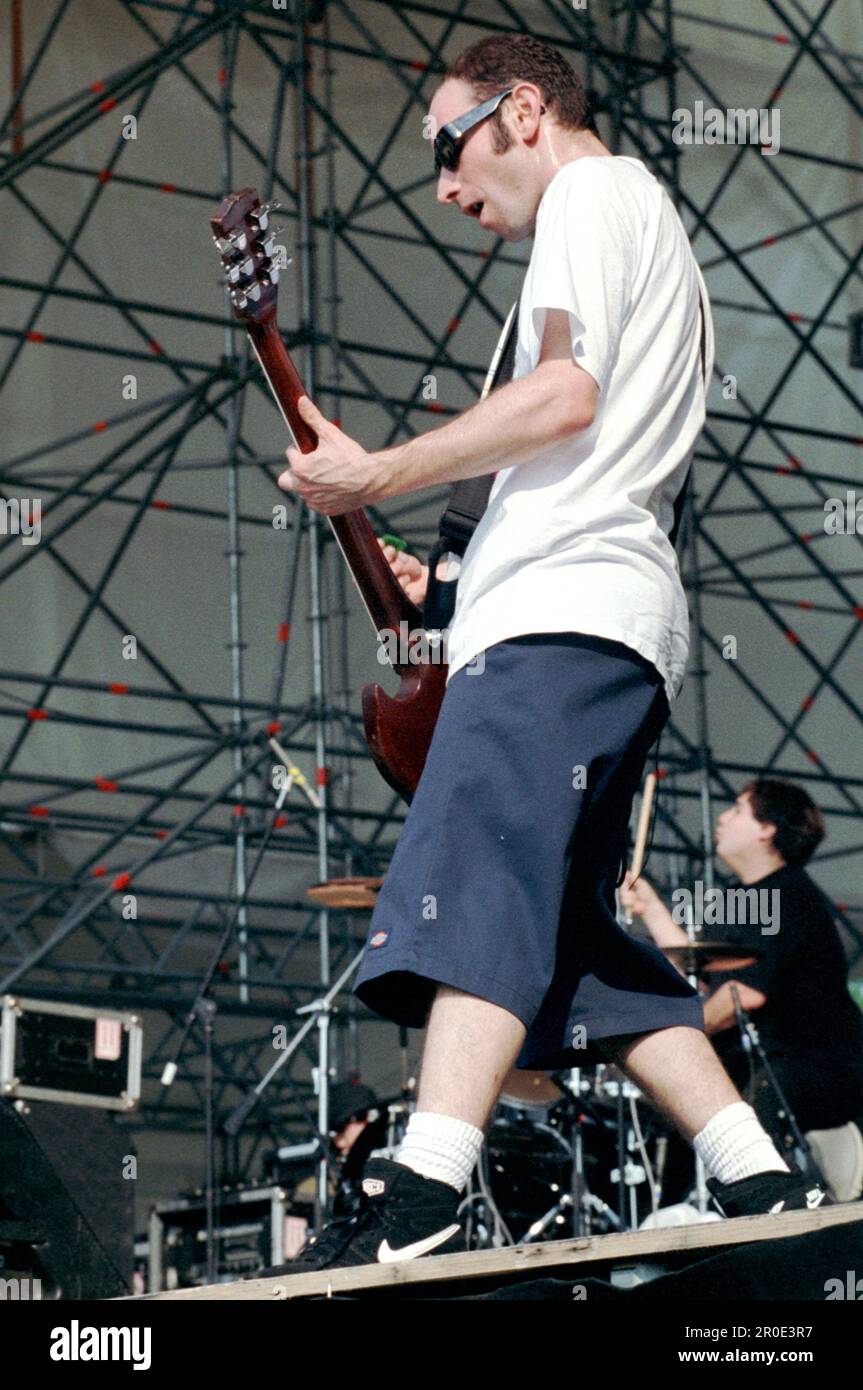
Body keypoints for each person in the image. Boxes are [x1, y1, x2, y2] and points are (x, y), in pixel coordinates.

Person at [274, 34, 829, 1269]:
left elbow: (565, 399)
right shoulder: (640, 229)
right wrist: (453, 580)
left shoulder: (588, 192)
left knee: (474, 878)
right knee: (579, 947)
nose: (444, 188)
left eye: (447, 146)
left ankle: (416, 1206)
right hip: (597, 621)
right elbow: (588, 441)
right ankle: (755, 1176)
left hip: (565, 623)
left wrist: (375, 469)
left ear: (522, 109)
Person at [621, 778, 863, 1196]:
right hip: (766, 1061)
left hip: (815, 1064)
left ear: (766, 829)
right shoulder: (737, 898)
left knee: (735, 1107)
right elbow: (696, 962)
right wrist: (652, 907)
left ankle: (768, 1209)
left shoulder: (788, 894)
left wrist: (677, 1038)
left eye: (736, 809)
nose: (722, 818)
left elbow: (744, 996)